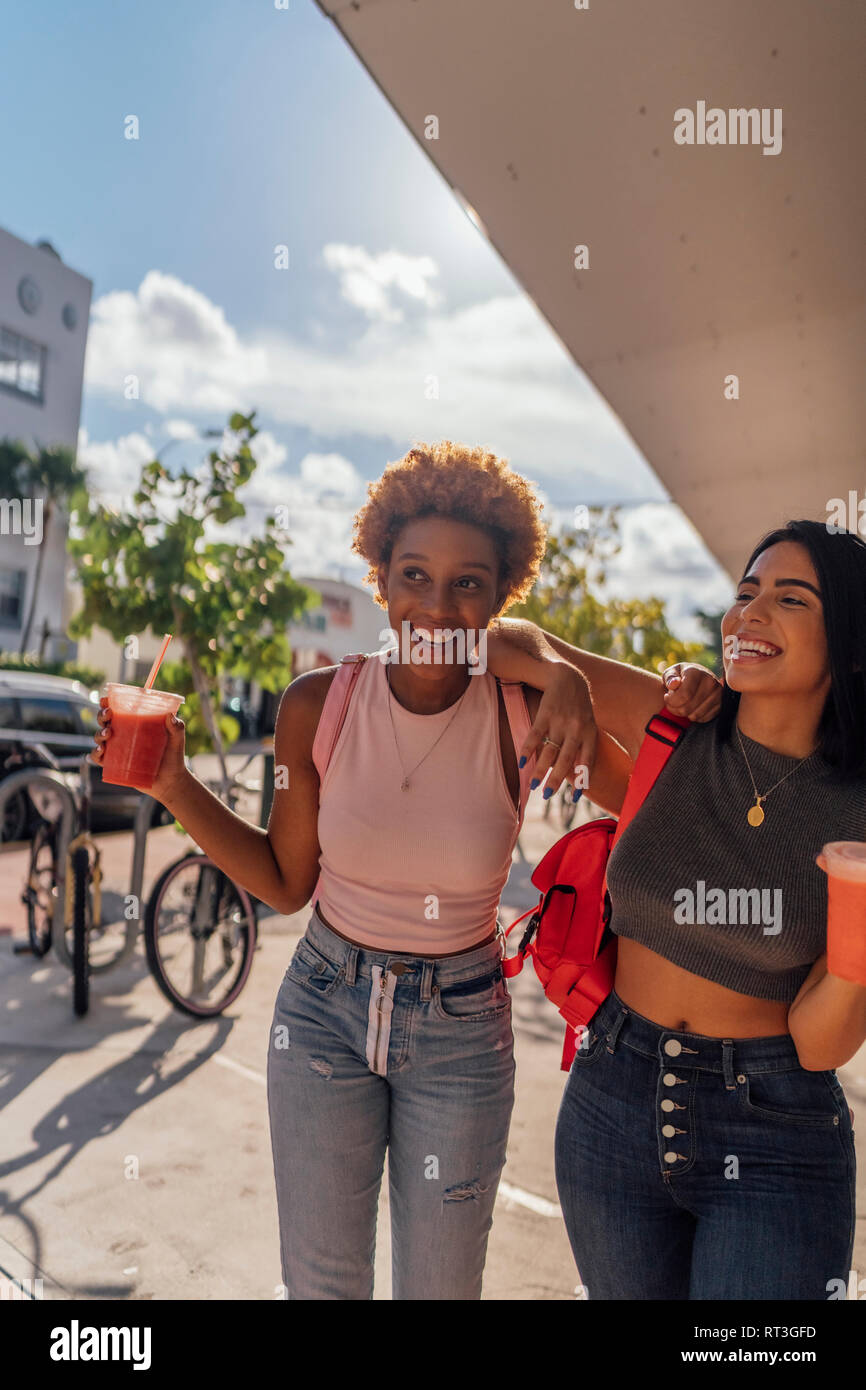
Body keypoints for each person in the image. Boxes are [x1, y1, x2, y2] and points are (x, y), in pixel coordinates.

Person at [90, 439, 718, 1299]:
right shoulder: (321, 705)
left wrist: (569, 670)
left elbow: (665, 772)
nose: (437, 604)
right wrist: (172, 782)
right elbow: (283, 883)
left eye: (469, 583)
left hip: (460, 1030)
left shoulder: (521, 706)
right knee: (323, 1287)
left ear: (500, 598)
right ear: (381, 581)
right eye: (413, 576)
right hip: (320, 1013)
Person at [489, 519, 866, 1300]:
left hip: (777, 1135)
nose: (749, 614)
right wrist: (563, 673)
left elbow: (821, 1042)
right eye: (745, 593)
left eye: (789, 599)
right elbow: (498, 636)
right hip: (610, 1100)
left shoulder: (857, 814)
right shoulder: (674, 727)